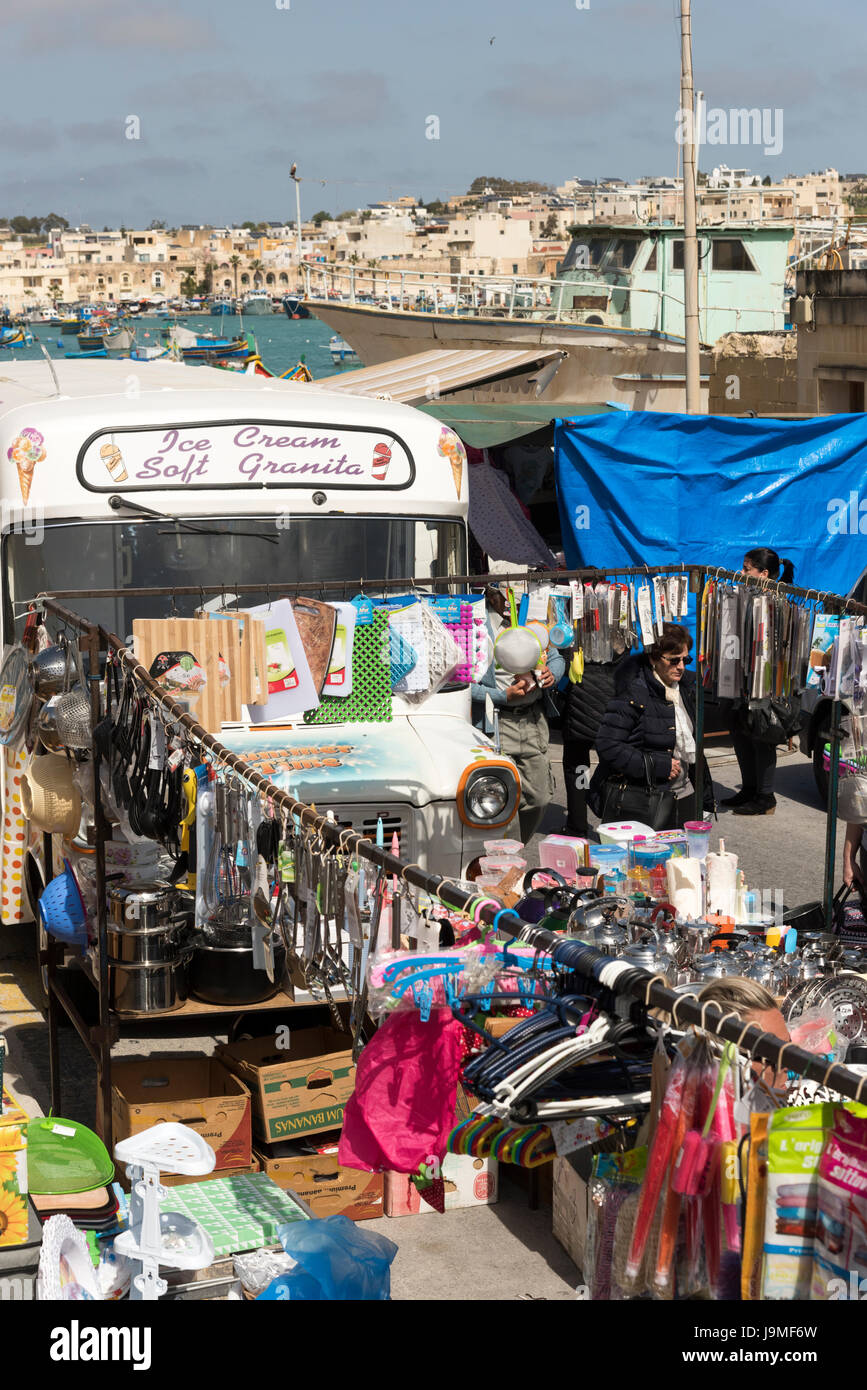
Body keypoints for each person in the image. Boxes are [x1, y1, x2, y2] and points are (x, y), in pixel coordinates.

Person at [589, 621, 715, 830]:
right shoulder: (633, 692)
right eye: (674, 660)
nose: (682, 666)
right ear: (654, 658)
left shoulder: (686, 689)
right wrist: (658, 765)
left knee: (682, 861)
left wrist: (707, 799)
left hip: (684, 794)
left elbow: (695, 749)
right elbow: (608, 745)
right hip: (643, 799)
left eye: (686, 659)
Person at [471, 587, 565, 842]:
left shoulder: (530, 622)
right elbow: (462, 686)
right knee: (504, 798)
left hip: (533, 721)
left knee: (540, 797)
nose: (511, 599)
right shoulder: (477, 625)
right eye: (505, 593)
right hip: (496, 721)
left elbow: (556, 657)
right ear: (492, 594)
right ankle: (506, 859)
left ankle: (516, 846)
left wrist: (552, 674)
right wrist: (504, 696)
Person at [722, 547, 796, 817]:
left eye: (747, 569)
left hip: (766, 680)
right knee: (741, 731)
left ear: (764, 574)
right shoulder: (748, 597)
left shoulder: (779, 602)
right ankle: (750, 789)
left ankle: (766, 796)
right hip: (744, 676)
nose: (741, 574)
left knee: (762, 735)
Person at [561, 655, 623, 837]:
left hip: (581, 695)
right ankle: (614, 827)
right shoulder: (623, 628)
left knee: (578, 766)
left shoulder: (572, 628)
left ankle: (577, 825)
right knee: (614, 766)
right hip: (612, 693)